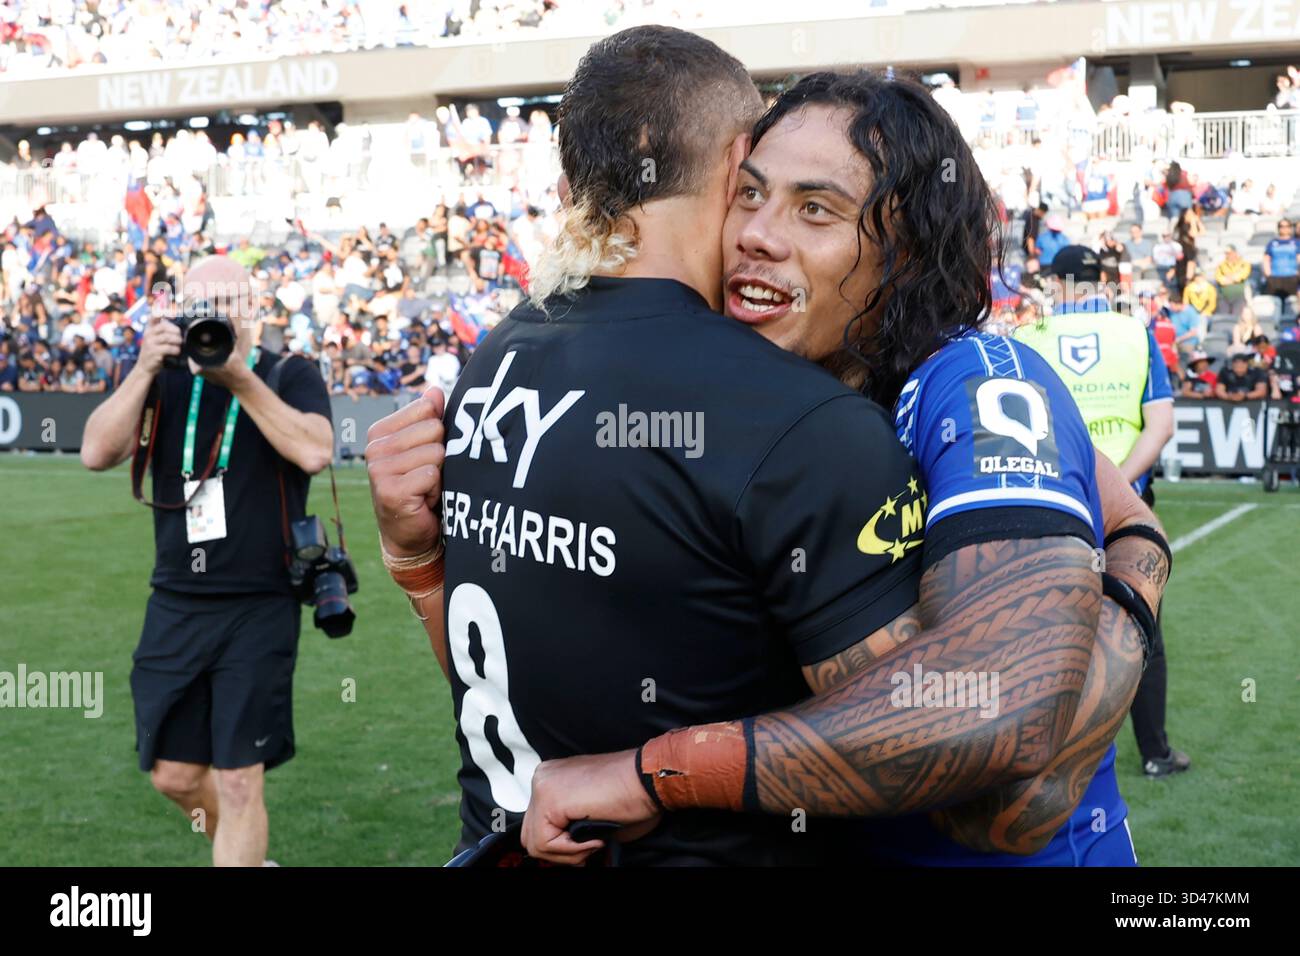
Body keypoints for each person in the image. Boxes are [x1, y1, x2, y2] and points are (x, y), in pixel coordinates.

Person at [373, 56, 1169, 867]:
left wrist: (1139, 554)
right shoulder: (761, 411)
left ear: (907, 250)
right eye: (748, 193)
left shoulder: (972, 386)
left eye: (815, 209)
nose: (757, 232)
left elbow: (1013, 786)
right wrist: (420, 562)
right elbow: (529, 696)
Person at [78, 256, 334, 867]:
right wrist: (143, 368)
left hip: (260, 601)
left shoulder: (287, 372)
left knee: (242, 780)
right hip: (175, 599)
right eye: (202, 305)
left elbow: (315, 450)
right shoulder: (162, 377)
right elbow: (95, 452)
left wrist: (240, 379)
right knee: (173, 775)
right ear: (179, 311)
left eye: (230, 303)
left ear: (254, 309)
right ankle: (250, 855)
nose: (216, 316)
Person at [1013, 246, 1189, 779]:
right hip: (1125, 508)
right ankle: (1155, 752)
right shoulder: (1133, 333)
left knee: (1042, 626)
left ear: (1054, 282)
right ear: (1102, 281)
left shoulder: (1026, 337)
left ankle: (1037, 756)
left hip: (1052, 501)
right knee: (1139, 624)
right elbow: (1160, 424)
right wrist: (1124, 486)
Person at [1262, 218, 1298, 320]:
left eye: (1287, 226)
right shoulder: (1273, 243)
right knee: (1275, 303)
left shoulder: (1295, 243)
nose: (1284, 229)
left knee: (1291, 304)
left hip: (1292, 277)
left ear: (1290, 228)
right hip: (1275, 277)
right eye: (1282, 226)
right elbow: (1266, 259)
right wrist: (1268, 275)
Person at [1214, 245, 1252, 317]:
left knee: (1237, 318)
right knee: (1223, 318)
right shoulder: (1221, 265)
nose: (1228, 255)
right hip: (1224, 296)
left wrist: (1229, 277)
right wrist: (1233, 278)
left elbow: (1242, 276)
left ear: (1235, 253)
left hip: (1239, 296)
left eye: (1229, 253)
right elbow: (1219, 279)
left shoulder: (1244, 264)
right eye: (1226, 253)